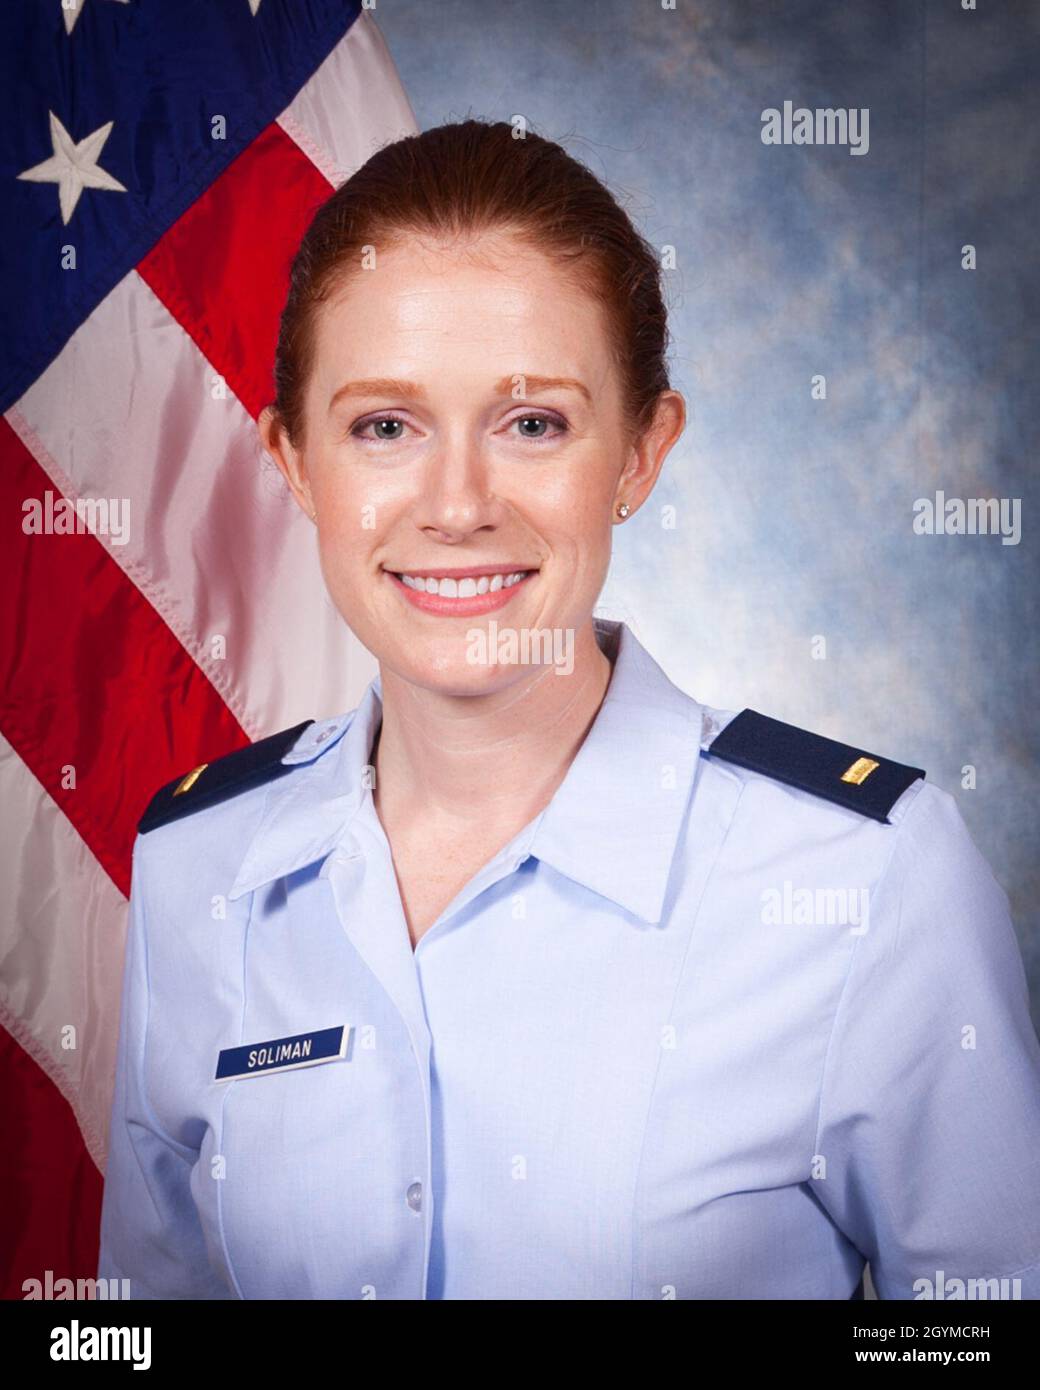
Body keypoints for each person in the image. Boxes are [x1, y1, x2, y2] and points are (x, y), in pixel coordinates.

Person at [97, 119, 1040, 1301]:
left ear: (641, 454)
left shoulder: (867, 879)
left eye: (531, 423)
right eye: (383, 426)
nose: (455, 505)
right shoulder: (198, 866)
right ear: (293, 461)